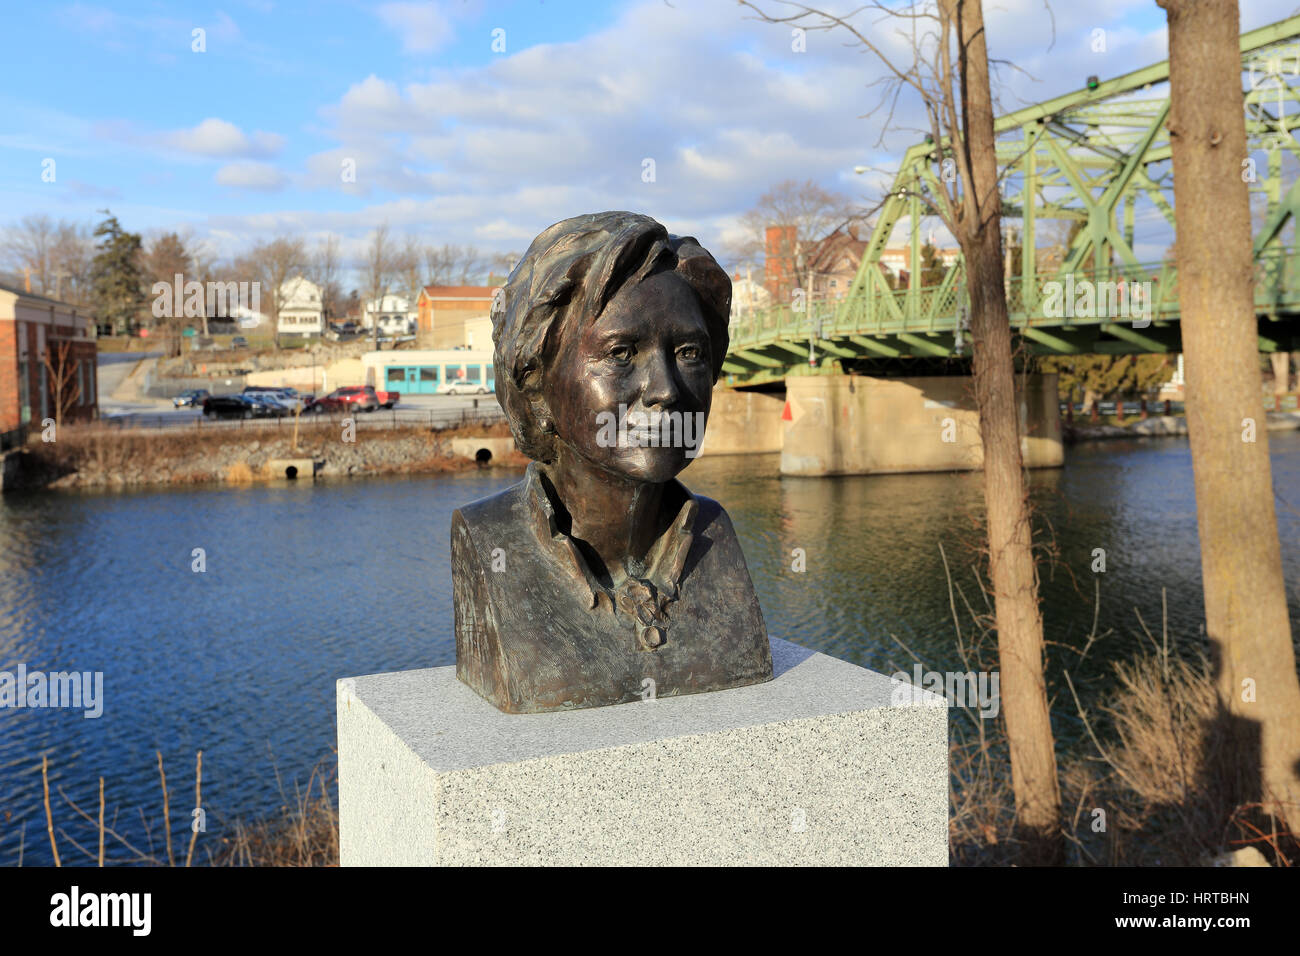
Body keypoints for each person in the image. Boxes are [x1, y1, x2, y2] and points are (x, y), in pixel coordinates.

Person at [451, 211, 772, 713]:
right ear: (536, 384)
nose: (666, 390)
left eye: (689, 352)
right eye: (621, 353)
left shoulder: (715, 535)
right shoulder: (489, 540)